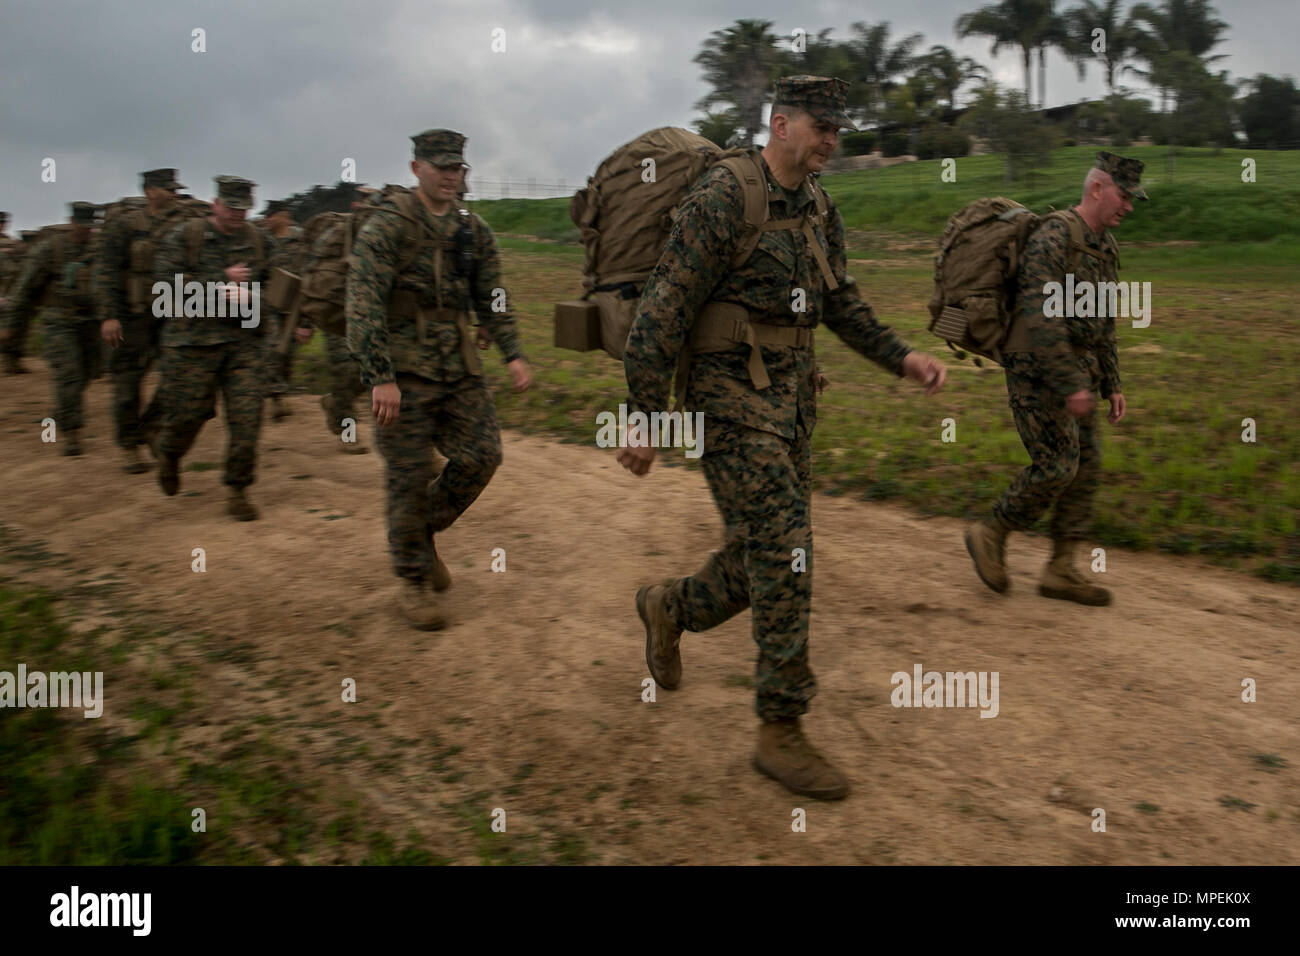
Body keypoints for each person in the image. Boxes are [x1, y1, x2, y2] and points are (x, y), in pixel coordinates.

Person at [620, 76, 947, 800]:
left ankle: (668, 607)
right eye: (819, 126)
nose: (831, 139)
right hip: (723, 397)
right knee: (786, 546)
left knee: (765, 554)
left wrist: (902, 357)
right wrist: (644, 416)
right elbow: (662, 308)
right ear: (780, 123)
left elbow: (841, 302)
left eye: (838, 128)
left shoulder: (818, 207)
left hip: (793, 400)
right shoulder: (723, 196)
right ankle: (781, 726)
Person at [346, 129, 531, 629]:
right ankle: (412, 581)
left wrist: (512, 352)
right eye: (441, 167)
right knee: (406, 475)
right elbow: (362, 301)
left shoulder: (473, 229)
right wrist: (379, 376)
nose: (451, 176)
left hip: (458, 365)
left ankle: (419, 533)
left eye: (458, 169)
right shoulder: (388, 226)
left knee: (483, 455)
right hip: (402, 373)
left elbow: (492, 294)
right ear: (416, 169)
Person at [965, 152, 1145, 607]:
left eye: (1133, 199)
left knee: (1086, 466)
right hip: (1036, 368)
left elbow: (1103, 322)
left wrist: (1112, 383)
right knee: (1058, 464)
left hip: (1079, 372)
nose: (1129, 206)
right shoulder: (1055, 234)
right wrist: (1070, 382)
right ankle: (991, 531)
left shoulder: (1105, 247)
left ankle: (1060, 569)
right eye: (1124, 196)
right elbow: (1041, 315)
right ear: (1098, 189)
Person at [152, 176, 271, 520]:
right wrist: (221, 283)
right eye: (231, 207)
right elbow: (163, 291)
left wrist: (254, 298)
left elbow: (281, 288)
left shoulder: (259, 240)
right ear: (215, 204)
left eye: (244, 208)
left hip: (243, 345)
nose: (237, 214)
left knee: (247, 421)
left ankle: (238, 489)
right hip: (191, 344)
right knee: (187, 416)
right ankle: (169, 452)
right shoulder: (185, 237)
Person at [95, 168, 193, 473]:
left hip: (171, 313)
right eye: (168, 189)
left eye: (176, 190)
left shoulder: (186, 223)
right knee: (127, 383)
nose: (175, 194)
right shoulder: (126, 226)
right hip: (132, 315)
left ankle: (151, 426)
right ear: (151, 191)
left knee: (179, 375)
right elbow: (107, 272)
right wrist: (109, 315)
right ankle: (129, 445)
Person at [0, 203, 100, 454]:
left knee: (87, 374)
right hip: (59, 323)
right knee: (69, 374)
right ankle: (71, 434)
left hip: (89, 323)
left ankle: (62, 410)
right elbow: (24, 290)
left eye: (90, 227)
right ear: (71, 222)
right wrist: (10, 326)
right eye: (82, 226)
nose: (86, 232)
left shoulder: (98, 250)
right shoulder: (50, 249)